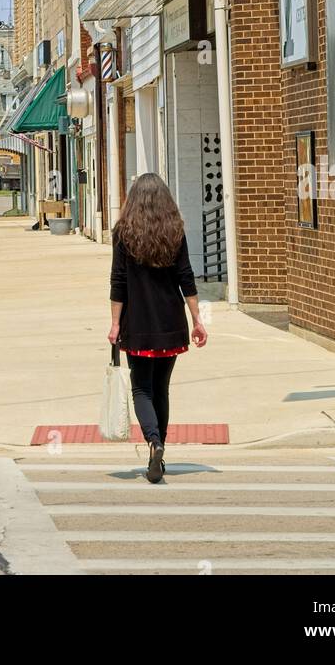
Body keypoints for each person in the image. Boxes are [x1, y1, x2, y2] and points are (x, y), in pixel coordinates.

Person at [108, 173, 208, 483]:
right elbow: (186, 276)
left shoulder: (123, 233)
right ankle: (159, 447)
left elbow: (118, 281)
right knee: (161, 388)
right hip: (170, 321)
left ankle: (154, 441)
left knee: (142, 388)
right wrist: (197, 319)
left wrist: (114, 323)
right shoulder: (174, 231)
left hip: (137, 322)